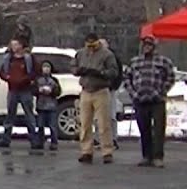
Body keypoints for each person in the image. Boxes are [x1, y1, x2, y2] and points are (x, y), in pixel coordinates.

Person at [124, 35, 176, 168]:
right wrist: (134, 94)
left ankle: (158, 157)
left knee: (158, 129)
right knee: (144, 129)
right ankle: (146, 156)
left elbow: (170, 77)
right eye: (145, 45)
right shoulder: (134, 62)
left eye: (149, 45)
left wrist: (161, 92)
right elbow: (127, 79)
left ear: (154, 47)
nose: (147, 47)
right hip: (140, 100)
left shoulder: (164, 61)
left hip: (157, 100)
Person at [73, 33, 119, 164]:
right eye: (88, 44)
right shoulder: (81, 53)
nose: (91, 47)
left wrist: (101, 73)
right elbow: (73, 65)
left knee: (104, 123)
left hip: (101, 90)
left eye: (93, 44)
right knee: (85, 123)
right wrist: (78, 71)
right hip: (86, 90)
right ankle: (86, 151)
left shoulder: (107, 54)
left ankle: (107, 151)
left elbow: (114, 71)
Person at [0, 38, 42, 150]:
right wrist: (7, 77)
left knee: (29, 115)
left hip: (25, 90)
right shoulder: (9, 59)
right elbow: (2, 72)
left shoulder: (29, 59)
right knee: (10, 115)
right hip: (12, 90)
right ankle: (5, 138)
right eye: (12, 44)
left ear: (21, 46)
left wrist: (25, 79)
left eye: (16, 44)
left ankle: (34, 139)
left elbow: (36, 72)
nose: (14, 47)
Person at [98, 37, 122, 148]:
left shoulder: (113, 58)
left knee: (111, 115)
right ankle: (99, 139)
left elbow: (119, 73)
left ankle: (113, 138)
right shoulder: (95, 57)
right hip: (97, 89)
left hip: (110, 90)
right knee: (98, 116)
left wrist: (113, 86)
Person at [35, 60, 63, 151]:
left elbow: (58, 92)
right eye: (44, 67)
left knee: (52, 126)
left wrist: (51, 91)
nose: (46, 69)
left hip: (52, 106)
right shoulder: (38, 79)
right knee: (40, 125)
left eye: (48, 67)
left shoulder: (54, 80)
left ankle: (54, 143)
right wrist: (39, 90)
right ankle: (40, 142)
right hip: (41, 105)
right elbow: (33, 90)